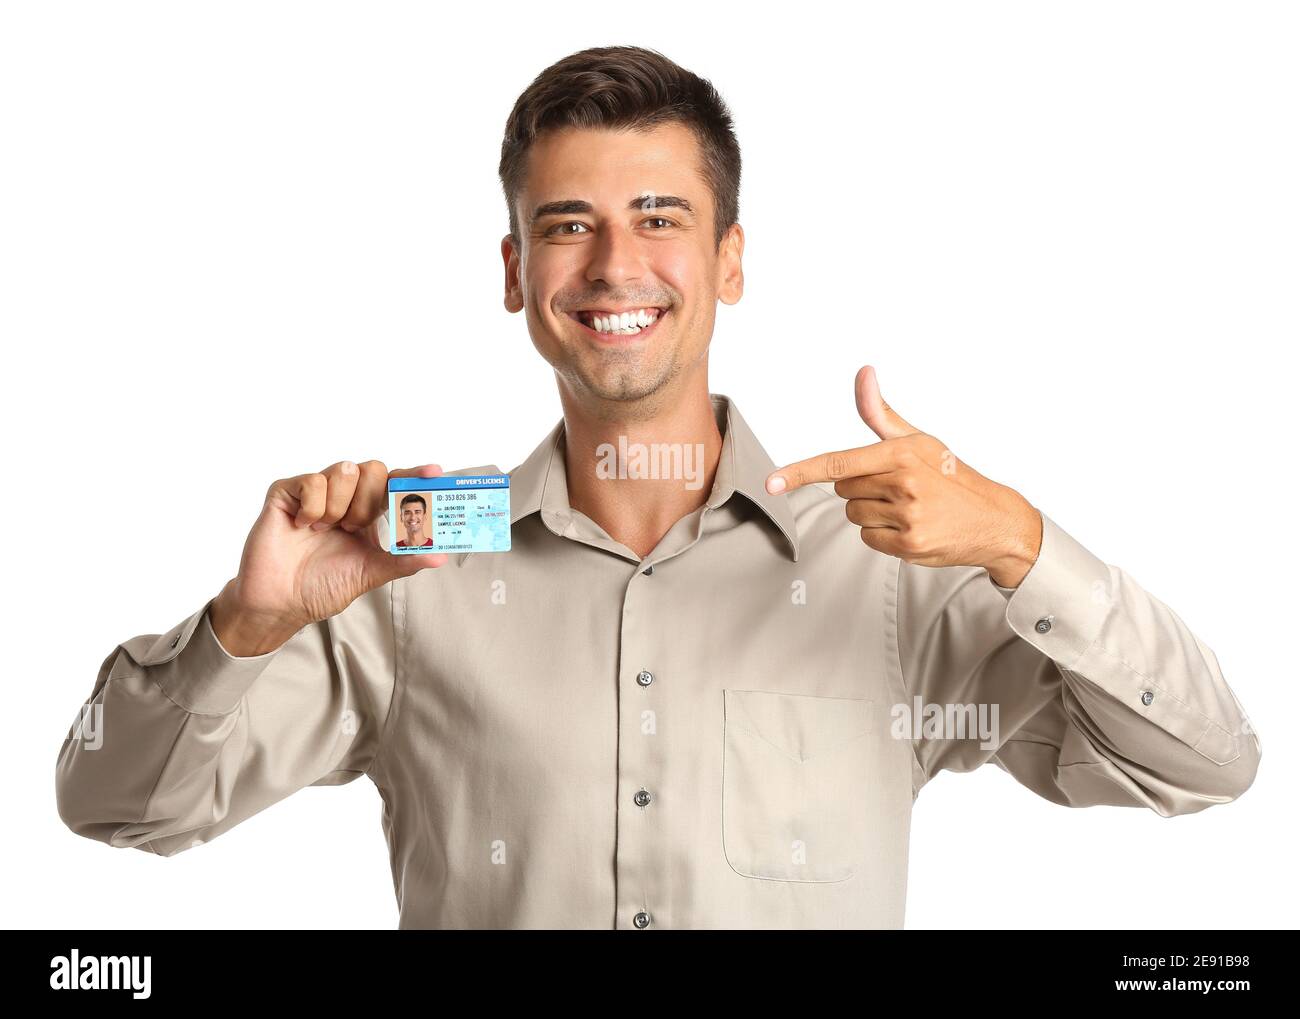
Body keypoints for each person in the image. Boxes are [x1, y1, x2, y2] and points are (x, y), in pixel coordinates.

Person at [55, 45, 1261, 930]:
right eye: (569, 226)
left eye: (659, 218)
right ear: (517, 271)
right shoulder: (401, 580)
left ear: (729, 262)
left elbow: (1206, 763)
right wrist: (245, 626)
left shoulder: (890, 571)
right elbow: (115, 807)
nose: (615, 264)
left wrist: (1020, 542)